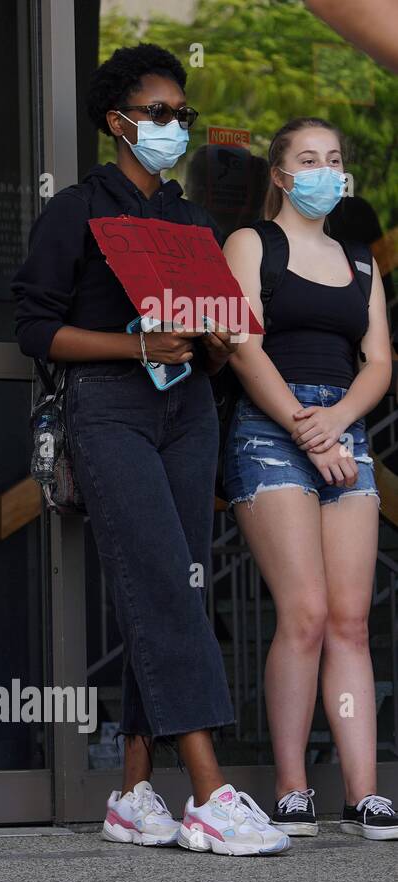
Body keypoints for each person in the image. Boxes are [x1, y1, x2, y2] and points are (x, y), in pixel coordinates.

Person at [12, 43, 288, 855]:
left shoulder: (191, 219)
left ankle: (134, 790)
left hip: (189, 409)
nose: (173, 126)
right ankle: (208, 795)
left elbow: (217, 336)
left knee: (174, 588)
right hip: (111, 409)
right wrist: (133, 347)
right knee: (162, 582)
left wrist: (206, 339)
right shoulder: (75, 210)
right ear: (117, 121)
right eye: (158, 112)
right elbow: (33, 327)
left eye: (182, 114)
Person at [222, 118, 396, 840]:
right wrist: (303, 424)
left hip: (342, 434)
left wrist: (337, 425)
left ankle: (364, 794)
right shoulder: (251, 244)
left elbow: (379, 362)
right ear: (281, 175)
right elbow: (240, 343)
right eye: (309, 159)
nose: (325, 170)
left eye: (334, 159)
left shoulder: (361, 262)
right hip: (272, 433)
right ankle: (292, 788)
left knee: (351, 622)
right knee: (306, 614)